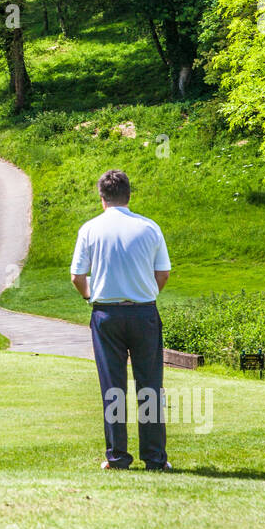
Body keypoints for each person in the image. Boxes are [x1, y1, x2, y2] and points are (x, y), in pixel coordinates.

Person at [70, 170, 172, 471]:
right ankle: (154, 458)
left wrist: (90, 297)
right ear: (129, 195)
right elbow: (163, 273)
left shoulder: (90, 229)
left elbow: (77, 276)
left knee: (112, 386)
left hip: (106, 314)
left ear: (102, 199)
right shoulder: (149, 228)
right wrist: (146, 294)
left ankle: (117, 457)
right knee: (150, 386)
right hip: (143, 312)